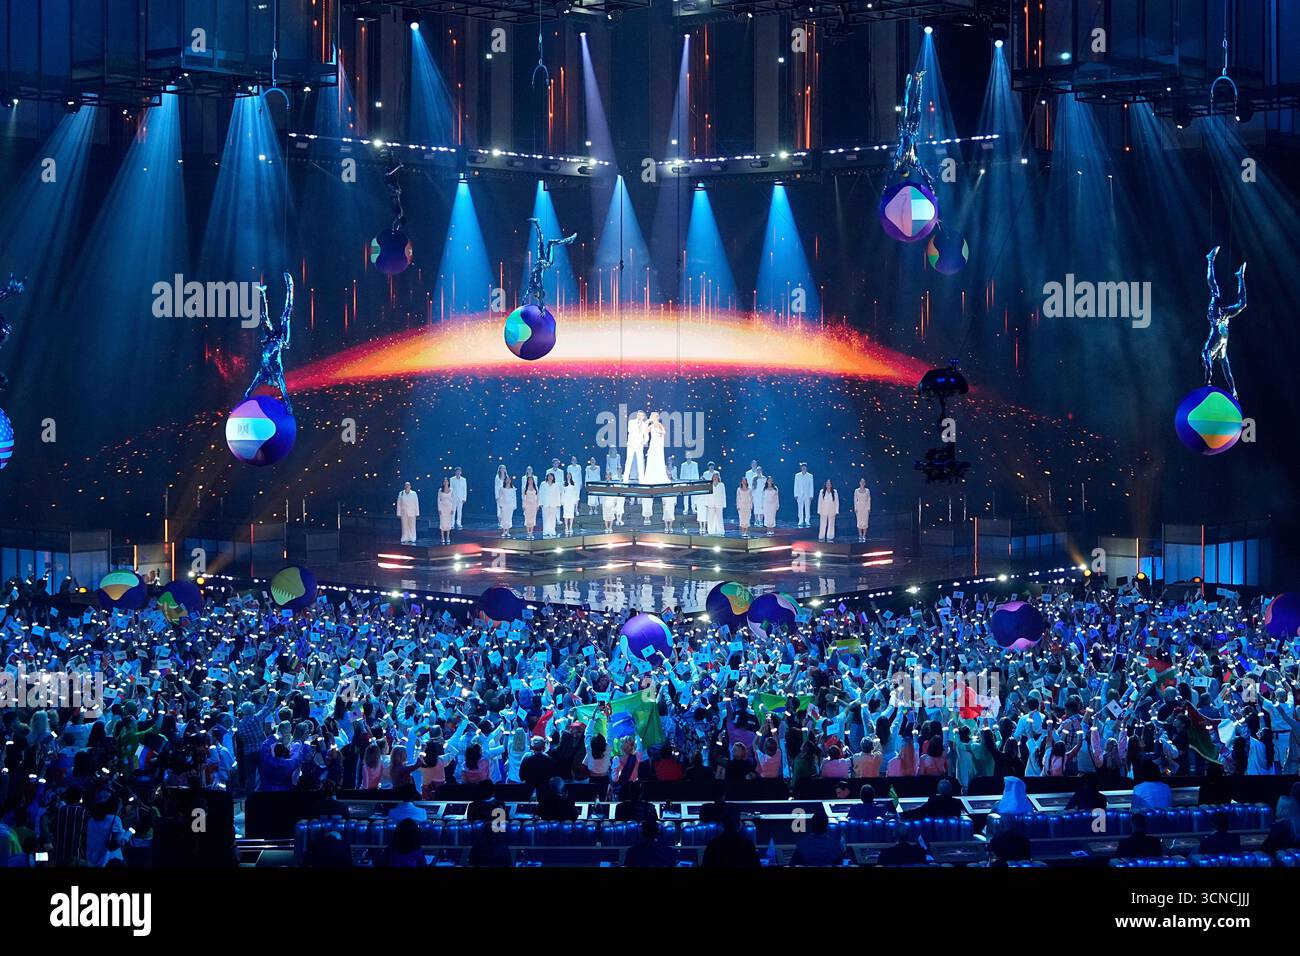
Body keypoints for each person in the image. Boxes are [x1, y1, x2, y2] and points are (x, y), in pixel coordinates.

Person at [243, 272, 294, 413]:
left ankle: (262, 294)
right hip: (281, 340)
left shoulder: (263, 373)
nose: (275, 383)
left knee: (263, 318)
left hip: (271, 339)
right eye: (275, 383)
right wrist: (288, 406)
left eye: (273, 383)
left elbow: (251, 388)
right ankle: (290, 287)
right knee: (286, 315)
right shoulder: (278, 373)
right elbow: (284, 391)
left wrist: (245, 399)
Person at [1201, 245, 1247, 399]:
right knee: (1242, 305)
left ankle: (1210, 260)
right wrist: (1233, 390)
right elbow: (1228, 372)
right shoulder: (1221, 354)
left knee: (1215, 291)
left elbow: (1207, 360)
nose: (1207, 363)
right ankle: (1240, 276)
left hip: (1215, 317)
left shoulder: (1206, 351)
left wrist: (1207, 381)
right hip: (1225, 318)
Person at [525, 216, 577, 309]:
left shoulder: (532, 286)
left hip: (540, 260)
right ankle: (569, 240)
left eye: (537, 294)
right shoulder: (539, 284)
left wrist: (521, 307)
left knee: (540, 242)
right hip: (547, 263)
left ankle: (537, 224)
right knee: (550, 243)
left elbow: (525, 296)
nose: (537, 294)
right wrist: (542, 308)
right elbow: (541, 301)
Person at [643, 411, 669, 484]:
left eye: (654, 417)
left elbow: (664, 432)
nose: (654, 418)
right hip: (653, 444)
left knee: (659, 459)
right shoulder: (651, 426)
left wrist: (659, 432)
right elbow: (645, 432)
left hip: (659, 445)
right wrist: (646, 423)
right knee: (652, 459)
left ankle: (659, 476)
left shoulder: (660, 425)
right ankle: (651, 477)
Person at [622, 410, 647, 482]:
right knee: (629, 461)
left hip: (639, 445)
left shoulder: (645, 425)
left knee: (640, 462)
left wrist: (644, 441)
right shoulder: (632, 422)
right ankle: (625, 479)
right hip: (631, 444)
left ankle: (641, 479)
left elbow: (646, 435)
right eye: (638, 415)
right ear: (637, 415)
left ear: (643, 417)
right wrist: (638, 425)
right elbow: (630, 430)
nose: (639, 417)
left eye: (641, 415)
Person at [793, 464, 814, 528]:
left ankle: (807, 520)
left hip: (807, 494)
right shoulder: (797, 475)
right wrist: (795, 494)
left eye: (805, 467)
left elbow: (811, 486)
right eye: (802, 467)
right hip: (800, 494)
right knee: (800, 508)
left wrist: (811, 495)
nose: (804, 468)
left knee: (807, 508)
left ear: (806, 468)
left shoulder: (810, 476)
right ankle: (800, 520)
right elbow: (795, 485)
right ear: (801, 468)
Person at [436, 477, 455, 546]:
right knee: (442, 522)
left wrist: (452, 509)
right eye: (444, 481)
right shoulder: (440, 490)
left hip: (449, 507)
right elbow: (438, 500)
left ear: (448, 482)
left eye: (446, 481)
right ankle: (442, 537)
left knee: (448, 522)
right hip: (442, 507)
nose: (445, 482)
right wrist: (439, 509)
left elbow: (453, 500)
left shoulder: (451, 490)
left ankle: (448, 537)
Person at [561, 471, 579, 536]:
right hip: (566, 500)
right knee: (565, 514)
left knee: (571, 515)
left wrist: (575, 502)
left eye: (570, 475)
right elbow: (562, 493)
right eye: (567, 475)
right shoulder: (563, 483)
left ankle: (571, 527)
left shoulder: (574, 483)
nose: (568, 476)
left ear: (571, 476)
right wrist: (562, 501)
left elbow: (575, 493)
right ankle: (566, 527)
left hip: (571, 500)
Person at [522, 475, 540, 539]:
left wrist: (538, 505)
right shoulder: (525, 488)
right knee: (527, 518)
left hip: (534, 505)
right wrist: (523, 505)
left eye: (531, 480)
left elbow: (538, 497)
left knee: (533, 518)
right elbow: (523, 498)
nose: (530, 481)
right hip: (527, 505)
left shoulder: (536, 488)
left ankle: (531, 532)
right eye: (529, 480)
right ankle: (528, 533)